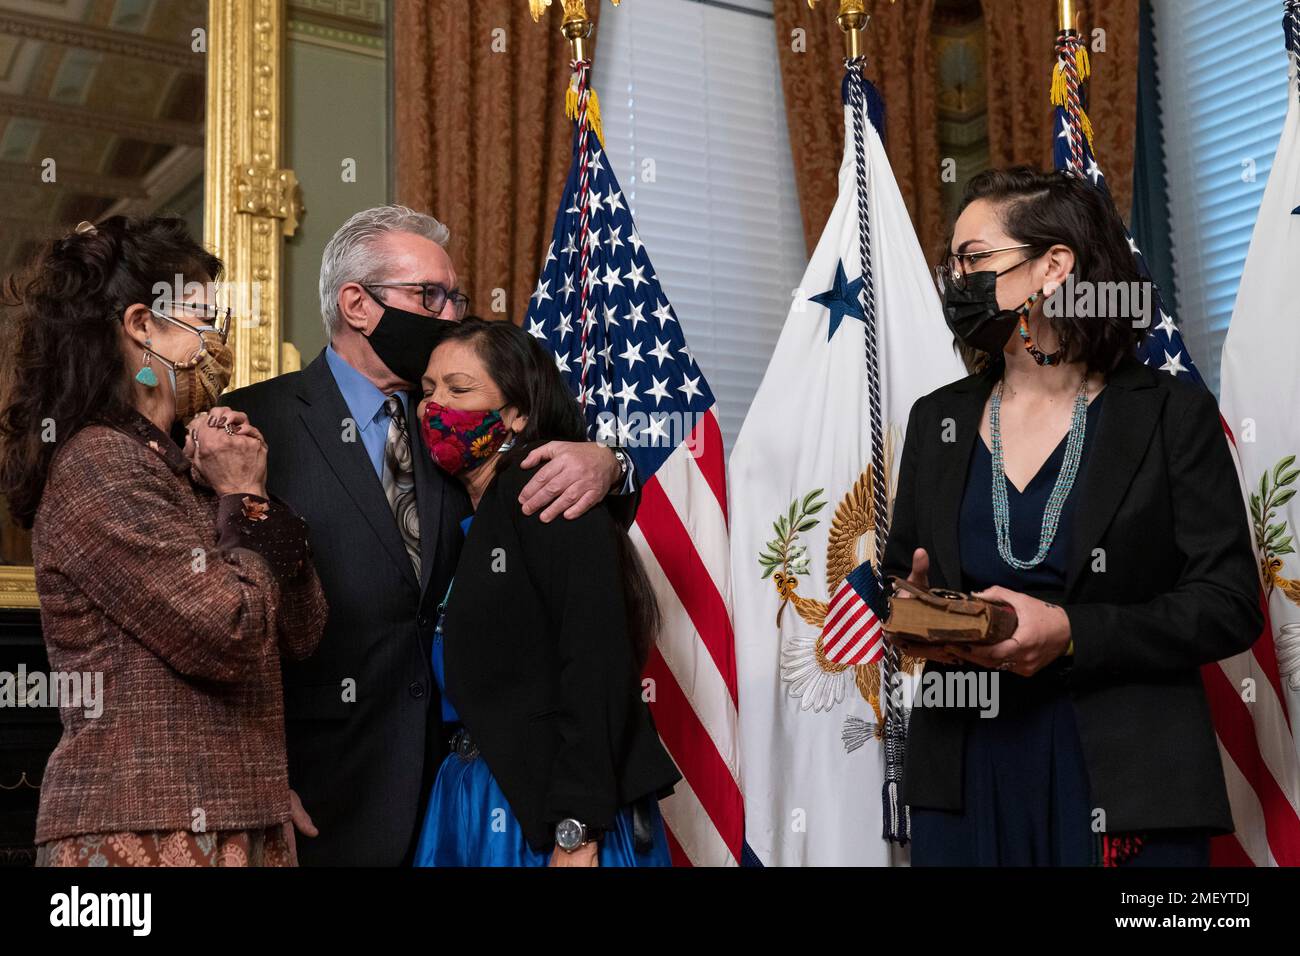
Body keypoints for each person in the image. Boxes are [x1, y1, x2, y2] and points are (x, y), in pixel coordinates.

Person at [223, 205, 638, 865]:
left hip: (474, 787)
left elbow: (559, 543)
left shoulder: (457, 415)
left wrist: (611, 461)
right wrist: (252, 773)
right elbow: (226, 619)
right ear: (356, 304)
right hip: (326, 794)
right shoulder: (252, 420)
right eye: (430, 296)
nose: (451, 315)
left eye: (457, 297)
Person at [882, 167, 1263, 866]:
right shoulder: (936, 420)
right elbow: (901, 576)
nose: (956, 281)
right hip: (966, 778)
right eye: (952, 264)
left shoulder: (1170, 415)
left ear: (1053, 266)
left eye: (974, 260)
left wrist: (1071, 632)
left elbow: (1228, 604)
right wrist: (918, 617)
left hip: (1130, 778)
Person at [0, 216, 327, 867]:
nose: (220, 341)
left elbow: (301, 629)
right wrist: (242, 500)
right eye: (203, 316)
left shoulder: (182, 469)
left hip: (239, 820)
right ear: (142, 324)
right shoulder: (100, 464)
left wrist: (245, 492)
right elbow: (228, 634)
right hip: (145, 832)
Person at [410, 318, 679, 866]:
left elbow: (594, 663)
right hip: (472, 794)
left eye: (459, 390)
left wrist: (577, 830)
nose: (435, 407)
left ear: (517, 414)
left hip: (546, 812)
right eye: (428, 390)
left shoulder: (545, 491)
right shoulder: (471, 513)